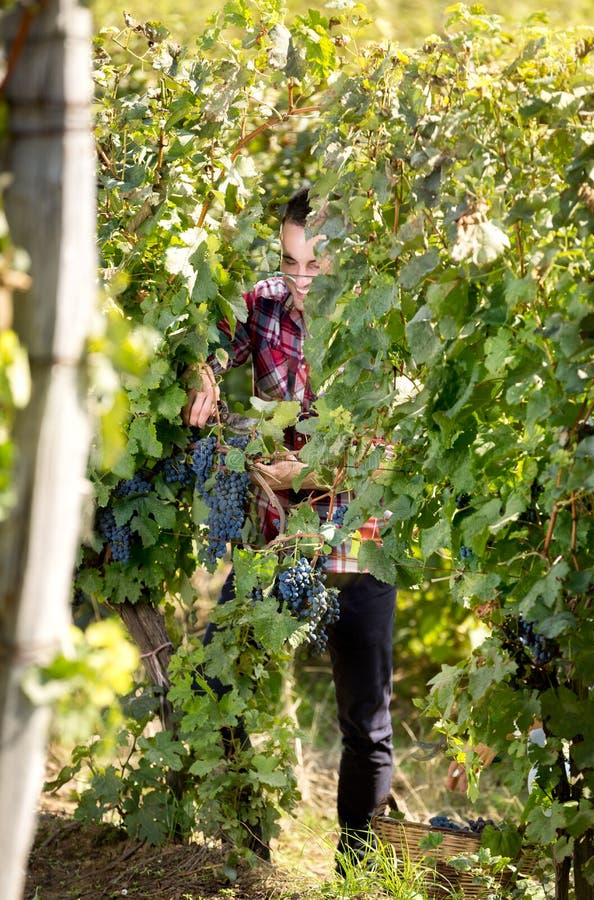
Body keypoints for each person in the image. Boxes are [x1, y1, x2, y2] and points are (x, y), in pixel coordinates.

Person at [184, 187, 397, 869]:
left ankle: (357, 874)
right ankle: (252, 859)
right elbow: (212, 343)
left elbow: (380, 452)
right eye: (291, 262)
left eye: (315, 266)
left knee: (365, 725)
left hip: (355, 542)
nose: (300, 280)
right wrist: (204, 375)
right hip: (276, 543)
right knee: (219, 675)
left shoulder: (380, 322)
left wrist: (295, 477)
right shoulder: (266, 299)